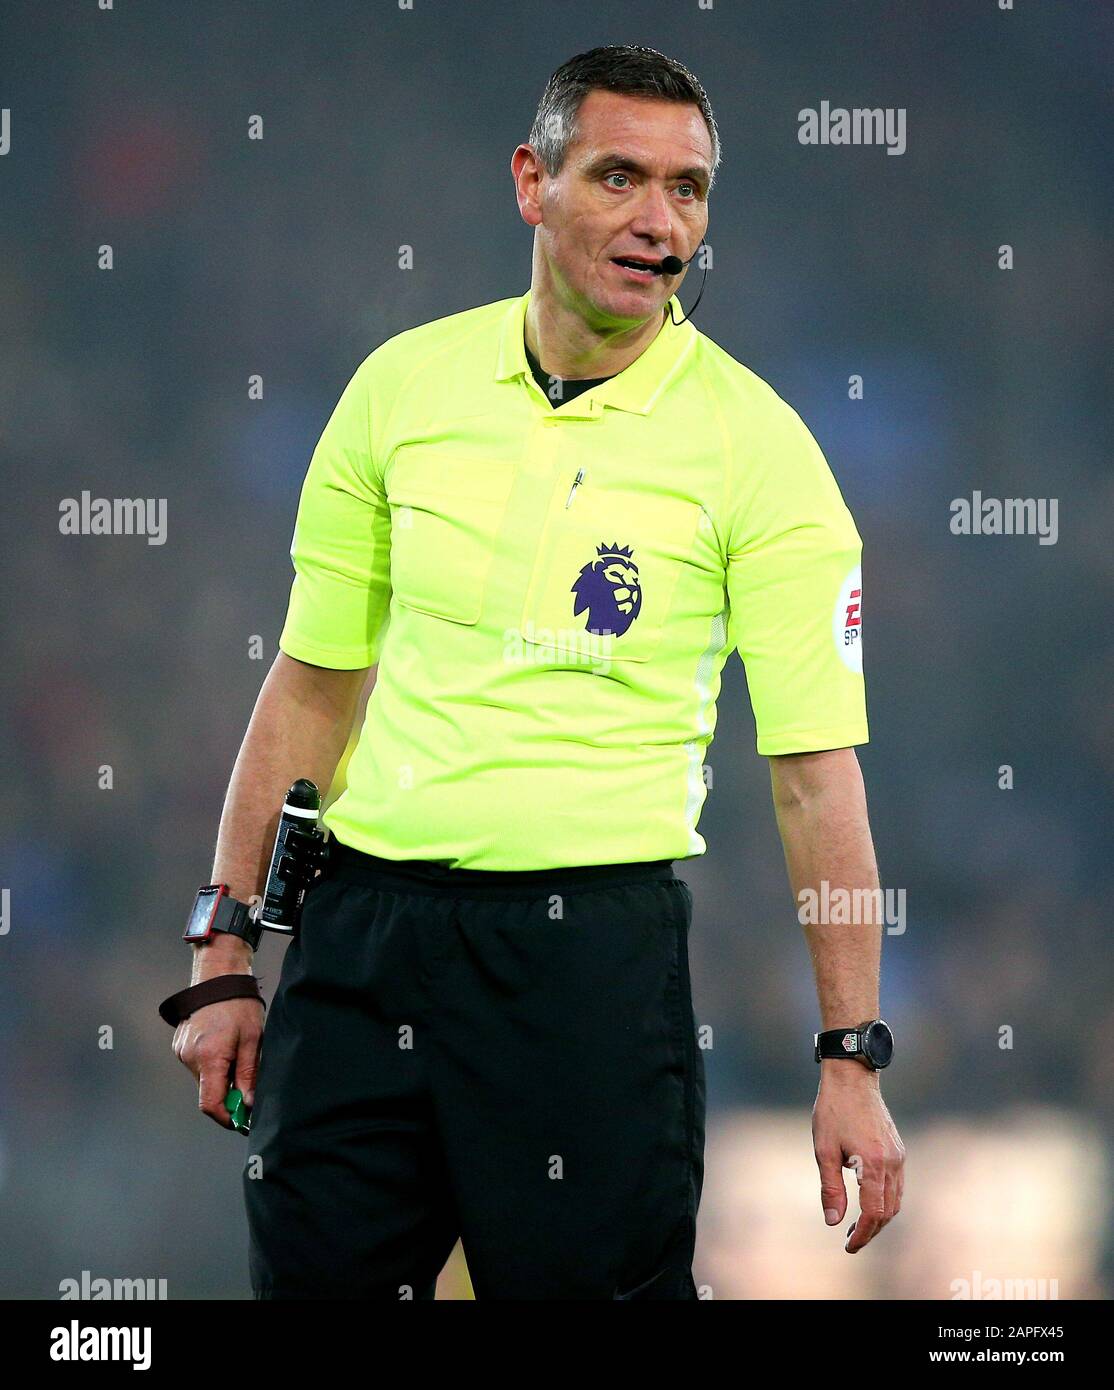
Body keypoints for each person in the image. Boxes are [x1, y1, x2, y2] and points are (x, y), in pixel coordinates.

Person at [168, 43, 904, 1301]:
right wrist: (226, 950)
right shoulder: (401, 390)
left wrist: (851, 1055)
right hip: (362, 943)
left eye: (689, 188)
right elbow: (307, 691)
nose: (660, 221)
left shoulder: (760, 452)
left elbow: (813, 779)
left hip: (586, 969)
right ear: (531, 180)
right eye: (621, 177)